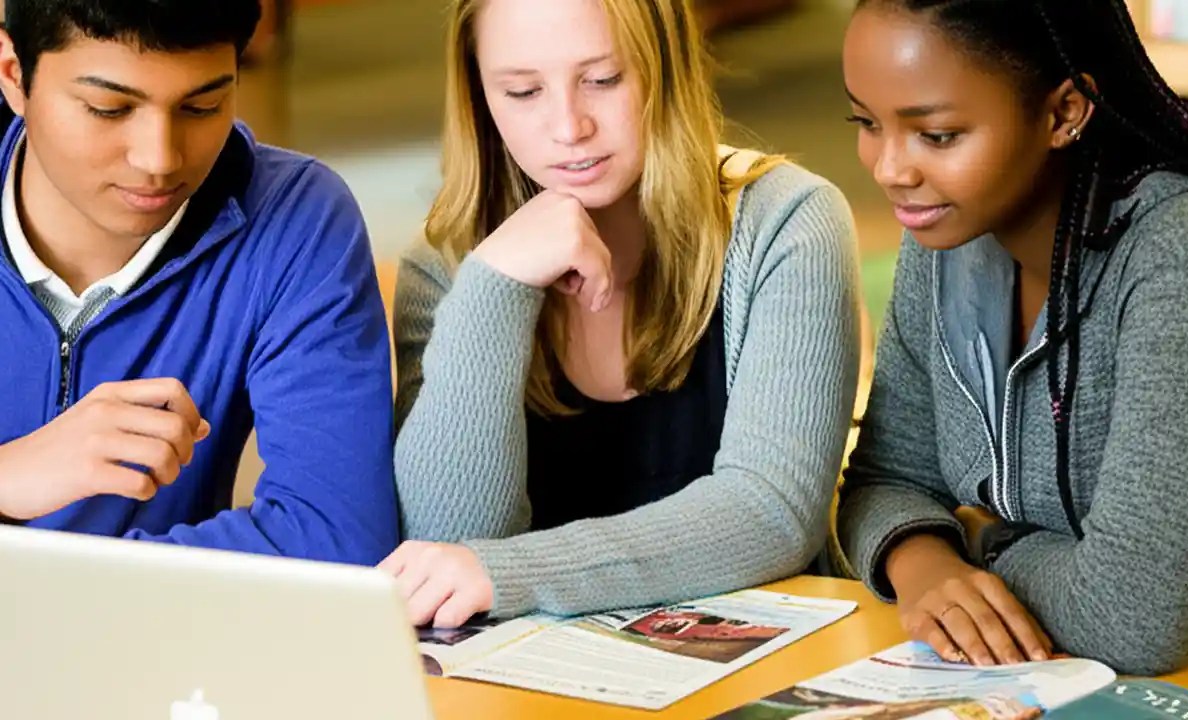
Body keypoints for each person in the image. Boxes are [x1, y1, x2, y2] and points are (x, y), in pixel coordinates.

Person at [380, 0, 861, 627]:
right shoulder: (447, 269)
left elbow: (772, 514)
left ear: (667, 66)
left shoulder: (787, 222)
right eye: (522, 91)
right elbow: (449, 547)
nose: (569, 126)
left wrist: (511, 573)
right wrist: (494, 289)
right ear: (479, 95)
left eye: (603, 79)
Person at [834, 0, 1188, 675]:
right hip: (1037, 670)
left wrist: (982, 539)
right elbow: (885, 478)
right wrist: (923, 559)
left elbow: (1135, 621)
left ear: (1064, 111)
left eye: (939, 135)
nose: (891, 169)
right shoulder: (944, 231)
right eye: (867, 123)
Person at [0, 0, 399, 564]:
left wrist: (47, 577)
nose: (159, 159)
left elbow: (335, 538)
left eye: (202, 105)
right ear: (14, 74)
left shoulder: (297, 221)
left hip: (152, 648)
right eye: (109, 108)